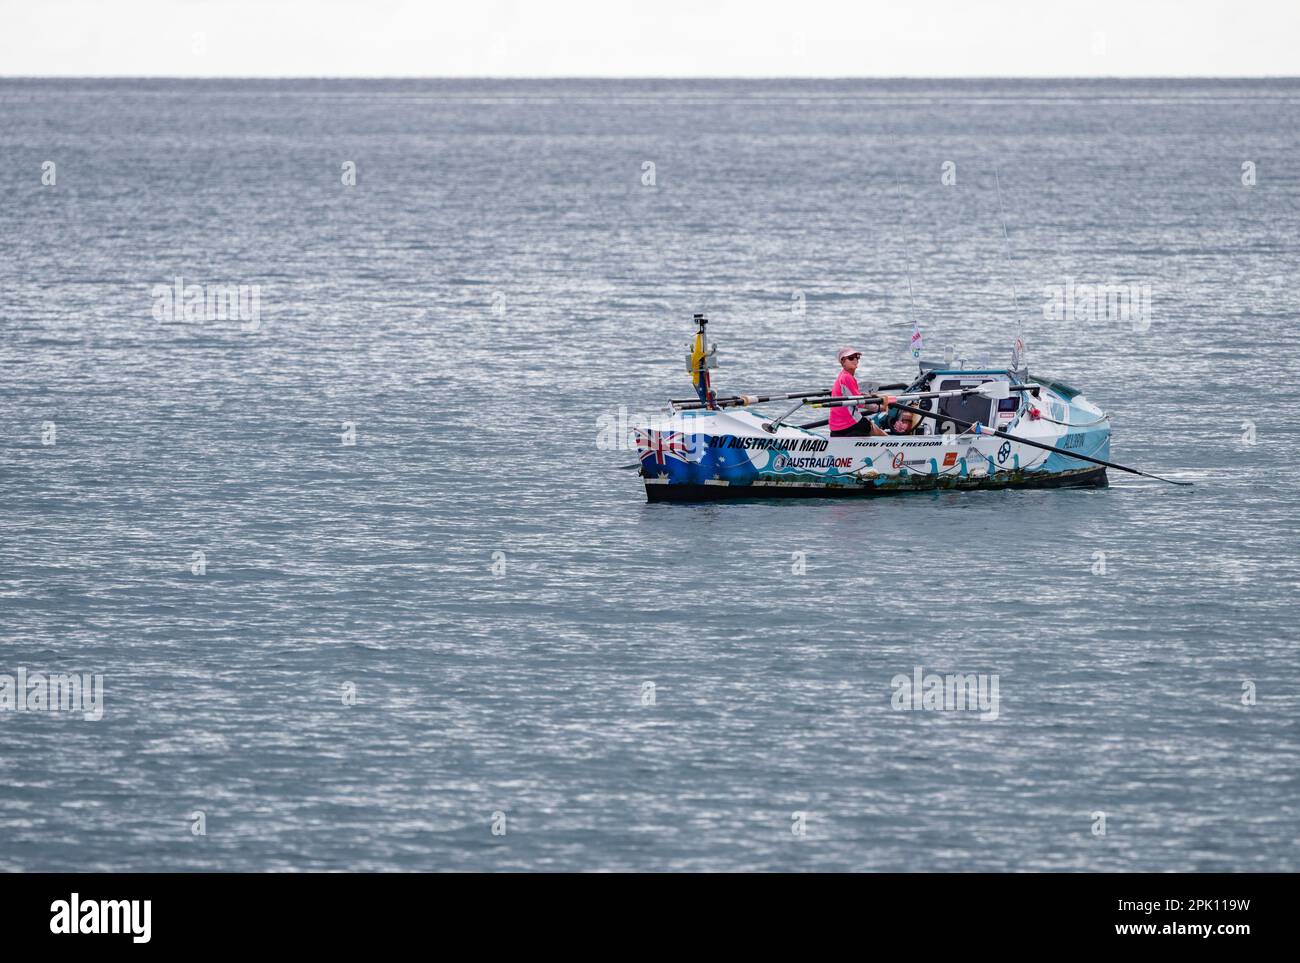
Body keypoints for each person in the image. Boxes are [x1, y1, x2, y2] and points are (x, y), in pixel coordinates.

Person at [829, 347, 891, 437]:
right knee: (869, 425)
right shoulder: (847, 378)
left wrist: (873, 397)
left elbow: (856, 396)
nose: (855, 360)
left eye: (857, 357)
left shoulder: (842, 376)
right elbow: (860, 403)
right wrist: (879, 408)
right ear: (842, 362)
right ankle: (892, 443)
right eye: (851, 358)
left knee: (867, 422)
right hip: (849, 424)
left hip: (835, 427)